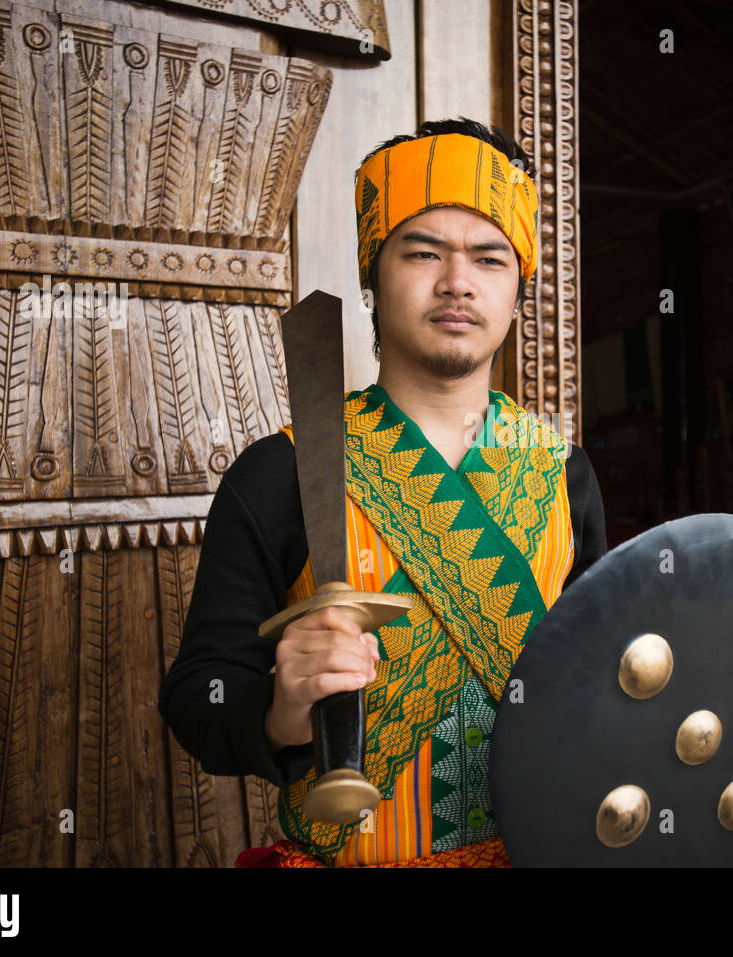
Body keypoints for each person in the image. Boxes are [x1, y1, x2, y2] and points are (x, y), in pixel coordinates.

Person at [158, 117, 608, 867]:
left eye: (490, 258)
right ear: (373, 279)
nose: (457, 281)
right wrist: (280, 709)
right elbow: (196, 697)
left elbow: (607, 671)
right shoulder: (279, 473)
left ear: (519, 293)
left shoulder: (563, 470)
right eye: (423, 251)